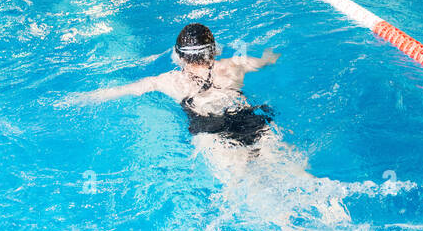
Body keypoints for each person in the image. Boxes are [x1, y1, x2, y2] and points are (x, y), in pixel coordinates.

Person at [75, 23, 279, 150]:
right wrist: (270, 56)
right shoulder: (236, 64)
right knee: (287, 169)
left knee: (239, 189)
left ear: (179, 55)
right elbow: (265, 61)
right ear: (214, 50)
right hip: (250, 119)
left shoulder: (168, 81)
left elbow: (121, 90)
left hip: (210, 131)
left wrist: (82, 97)